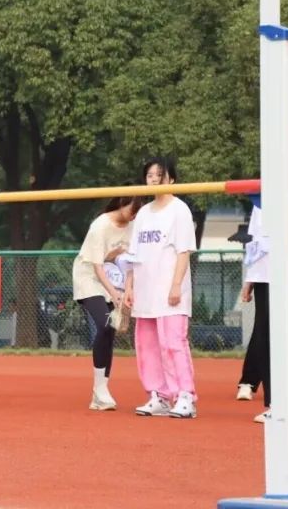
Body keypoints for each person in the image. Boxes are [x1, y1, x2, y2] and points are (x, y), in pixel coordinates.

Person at [124, 157, 198, 419]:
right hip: (145, 292)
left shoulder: (180, 210)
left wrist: (176, 285)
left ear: (171, 179)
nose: (154, 180)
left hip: (169, 293)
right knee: (147, 345)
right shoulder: (143, 213)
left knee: (173, 343)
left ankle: (185, 395)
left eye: (159, 175)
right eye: (149, 176)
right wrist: (129, 286)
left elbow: (183, 251)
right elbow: (134, 254)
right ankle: (159, 395)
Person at [236, 188, 288, 423]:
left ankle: (282, 404)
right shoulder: (261, 201)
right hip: (263, 280)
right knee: (265, 342)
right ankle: (273, 404)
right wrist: (249, 280)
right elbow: (254, 245)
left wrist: (284, 279)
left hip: (286, 281)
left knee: (283, 344)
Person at [73, 194, 143, 411]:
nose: (134, 214)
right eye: (133, 208)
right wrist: (114, 293)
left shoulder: (133, 227)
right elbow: (97, 266)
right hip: (90, 279)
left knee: (110, 331)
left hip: (116, 278)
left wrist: (128, 289)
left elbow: (131, 262)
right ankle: (100, 392)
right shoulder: (100, 226)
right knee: (104, 325)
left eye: (138, 211)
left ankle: (100, 391)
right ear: (122, 203)